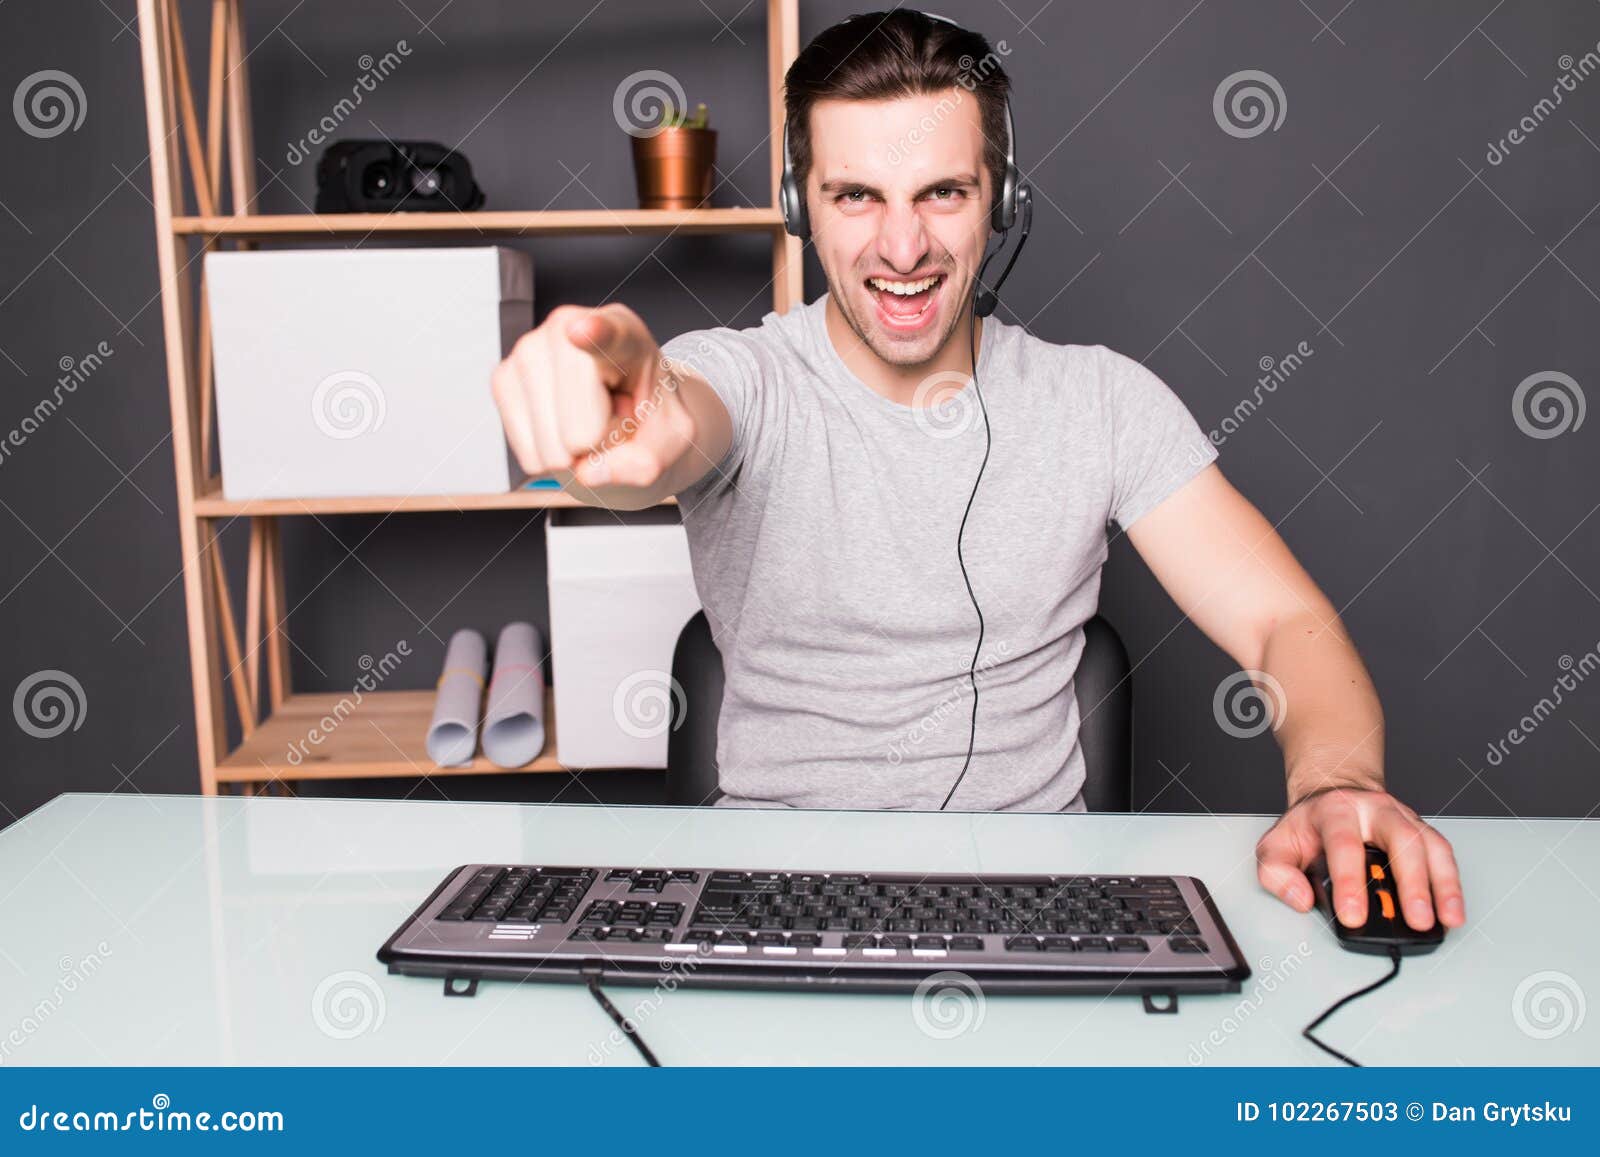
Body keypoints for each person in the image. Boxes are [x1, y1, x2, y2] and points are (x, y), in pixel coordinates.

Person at [489, 10, 1465, 935]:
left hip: (1034, 909)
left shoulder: (1102, 402)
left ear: (1002, 200)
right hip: (768, 901)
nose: (902, 246)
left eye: (942, 193)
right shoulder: (746, 379)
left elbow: (1281, 619)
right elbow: (669, 422)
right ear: (798, 205)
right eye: (856, 195)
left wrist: (1337, 784)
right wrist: (622, 403)